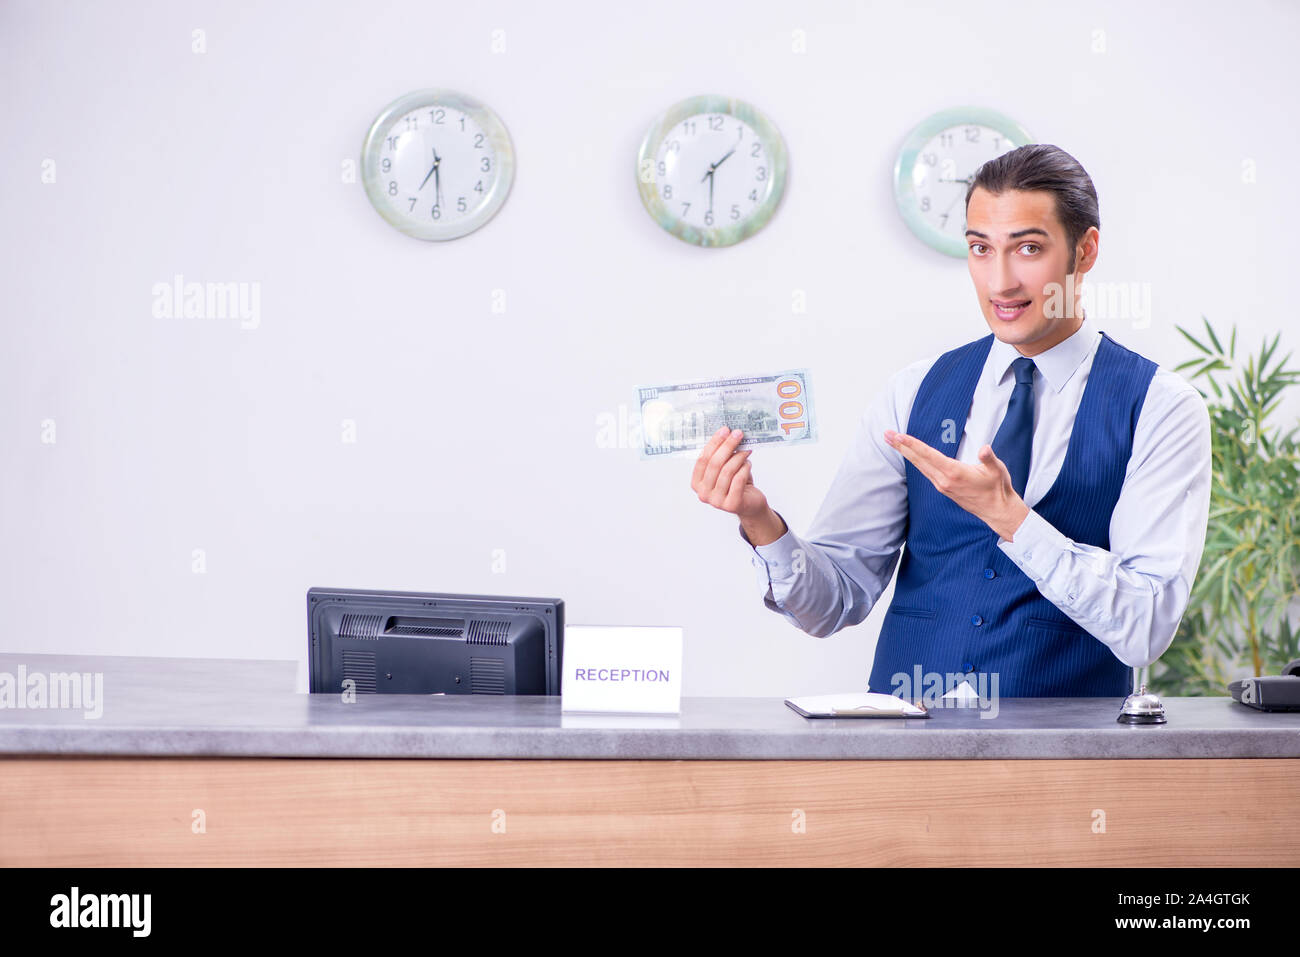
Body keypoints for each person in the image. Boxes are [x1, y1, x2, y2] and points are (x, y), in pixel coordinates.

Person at [690, 143, 1212, 698]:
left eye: (1028, 248)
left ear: (1085, 251)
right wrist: (759, 519)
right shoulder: (915, 392)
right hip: (909, 753)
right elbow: (832, 604)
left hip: (1066, 762)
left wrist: (1014, 520)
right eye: (981, 249)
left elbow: (1146, 627)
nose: (1001, 282)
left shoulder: (1159, 406)